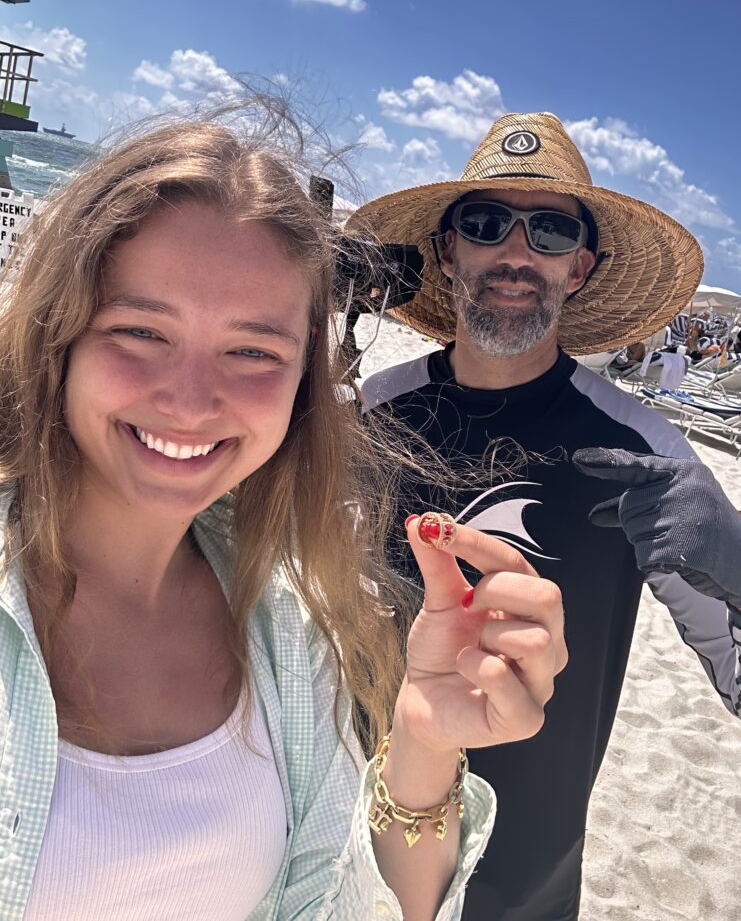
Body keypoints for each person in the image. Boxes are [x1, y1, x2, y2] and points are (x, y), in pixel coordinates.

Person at [0, 118, 568, 920]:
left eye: (253, 351)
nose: (190, 401)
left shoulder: (288, 627)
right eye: (140, 330)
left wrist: (424, 741)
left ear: (304, 384)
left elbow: (346, 905)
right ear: (57, 332)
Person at [348, 112, 741, 920]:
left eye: (549, 231)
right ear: (448, 251)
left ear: (578, 268)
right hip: (355, 846)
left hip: (525, 879)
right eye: (485, 223)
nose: (516, 252)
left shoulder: (642, 451)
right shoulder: (373, 411)